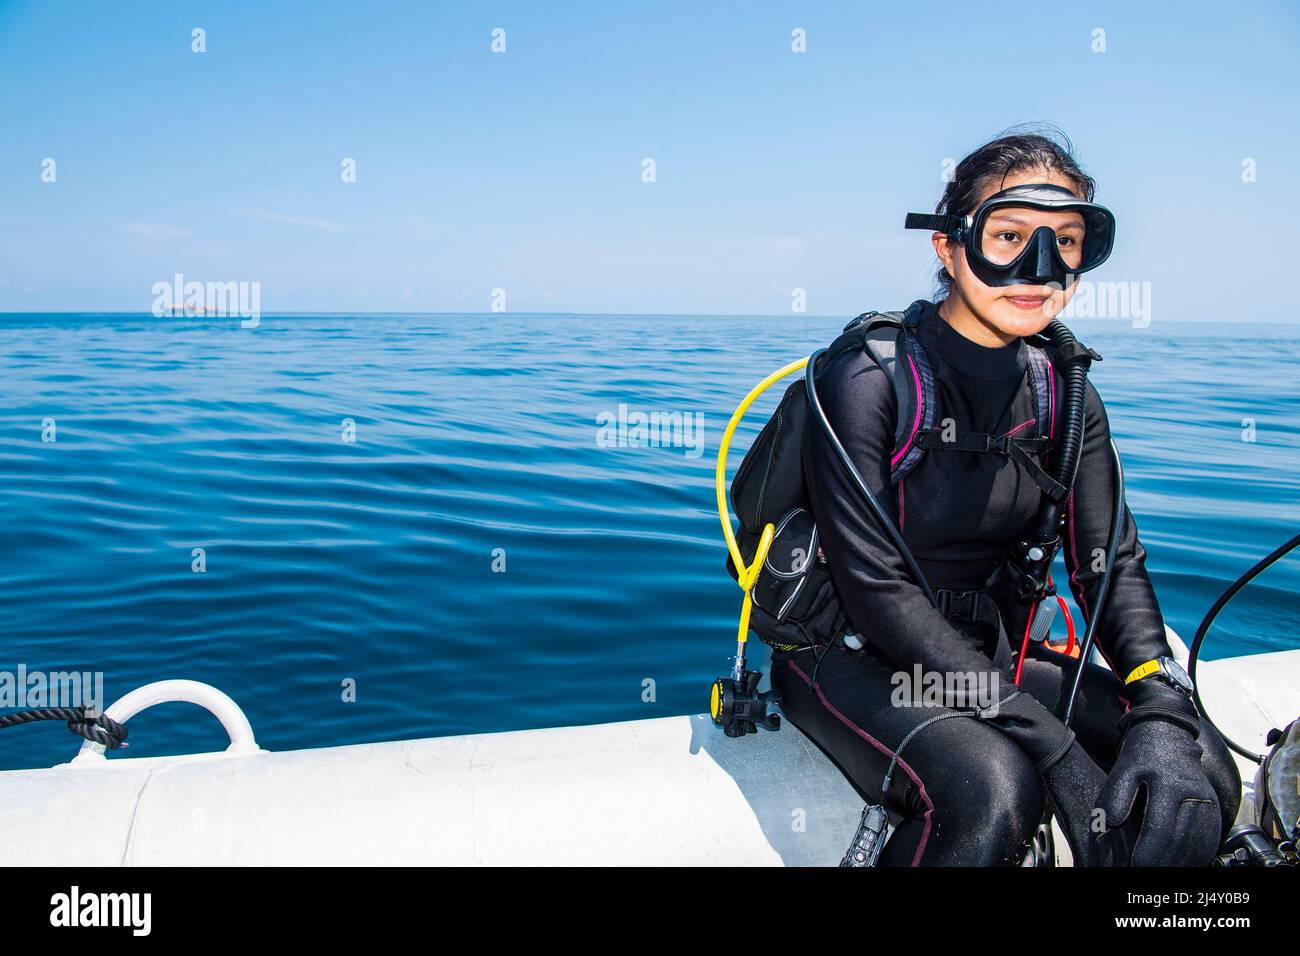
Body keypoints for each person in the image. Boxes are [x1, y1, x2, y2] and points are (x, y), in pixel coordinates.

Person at [770, 130, 1241, 866]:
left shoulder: (1067, 389)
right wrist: (1051, 746)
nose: (1040, 271)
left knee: (1198, 768)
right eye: (1010, 236)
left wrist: (1158, 700)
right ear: (949, 247)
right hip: (852, 654)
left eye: (1067, 242)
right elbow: (877, 592)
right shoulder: (868, 379)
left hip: (988, 655)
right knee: (995, 790)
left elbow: (1108, 565)